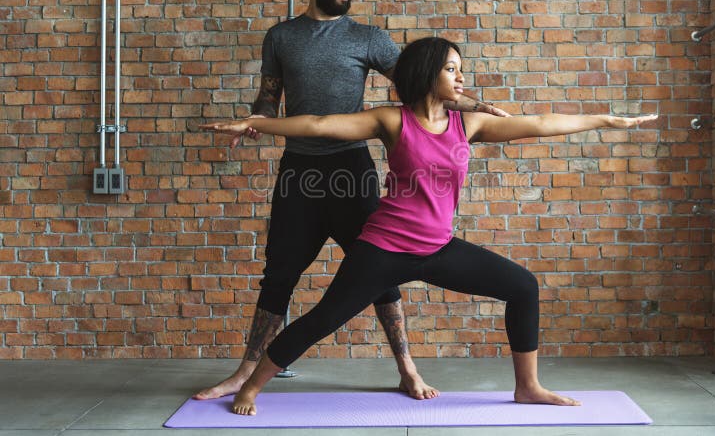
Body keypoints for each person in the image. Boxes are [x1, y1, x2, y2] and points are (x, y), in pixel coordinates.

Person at [200, 36, 658, 415]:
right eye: (452, 70)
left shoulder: (470, 123)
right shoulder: (392, 120)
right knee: (322, 319)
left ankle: (528, 387)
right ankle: (251, 388)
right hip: (384, 248)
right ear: (427, 74)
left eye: (461, 70)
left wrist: (604, 120)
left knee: (522, 286)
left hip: (437, 247)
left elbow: (537, 123)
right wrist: (259, 122)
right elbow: (320, 124)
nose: (461, 78)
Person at [194, 0, 506, 402]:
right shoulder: (281, 38)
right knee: (279, 272)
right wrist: (254, 122)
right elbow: (268, 98)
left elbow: (425, 87)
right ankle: (245, 372)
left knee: (382, 270)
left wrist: (475, 105)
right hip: (299, 171)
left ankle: (406, 368)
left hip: (352, 169)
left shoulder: (367, 37)